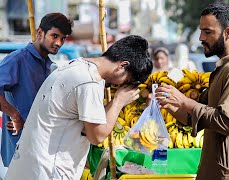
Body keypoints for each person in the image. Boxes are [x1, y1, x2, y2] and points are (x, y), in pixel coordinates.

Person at [5, 35, 153, 179]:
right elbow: (96, 136)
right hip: (48, 170)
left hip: (30, 165)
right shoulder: (89, 82)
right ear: (122, 66)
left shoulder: (77, 66)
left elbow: (91, 124)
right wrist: (119, 101)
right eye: (127, 80)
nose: (120, 85)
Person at [155, 2, 229, 180]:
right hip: (214, 169)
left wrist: (183, 101)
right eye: (201, 31)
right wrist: (169, 104)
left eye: (208, 32)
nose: (201, 37)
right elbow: (194, 116)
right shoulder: (224, 68)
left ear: (228, 33)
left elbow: (226, 121)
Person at [0, 12, 73, 167]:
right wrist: (15, 115)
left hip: (41, 147)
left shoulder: (49, 65)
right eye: (54, 36)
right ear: (40, 33)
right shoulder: (18, 59)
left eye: (63, 38)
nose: (59, 43)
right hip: (20, 148)